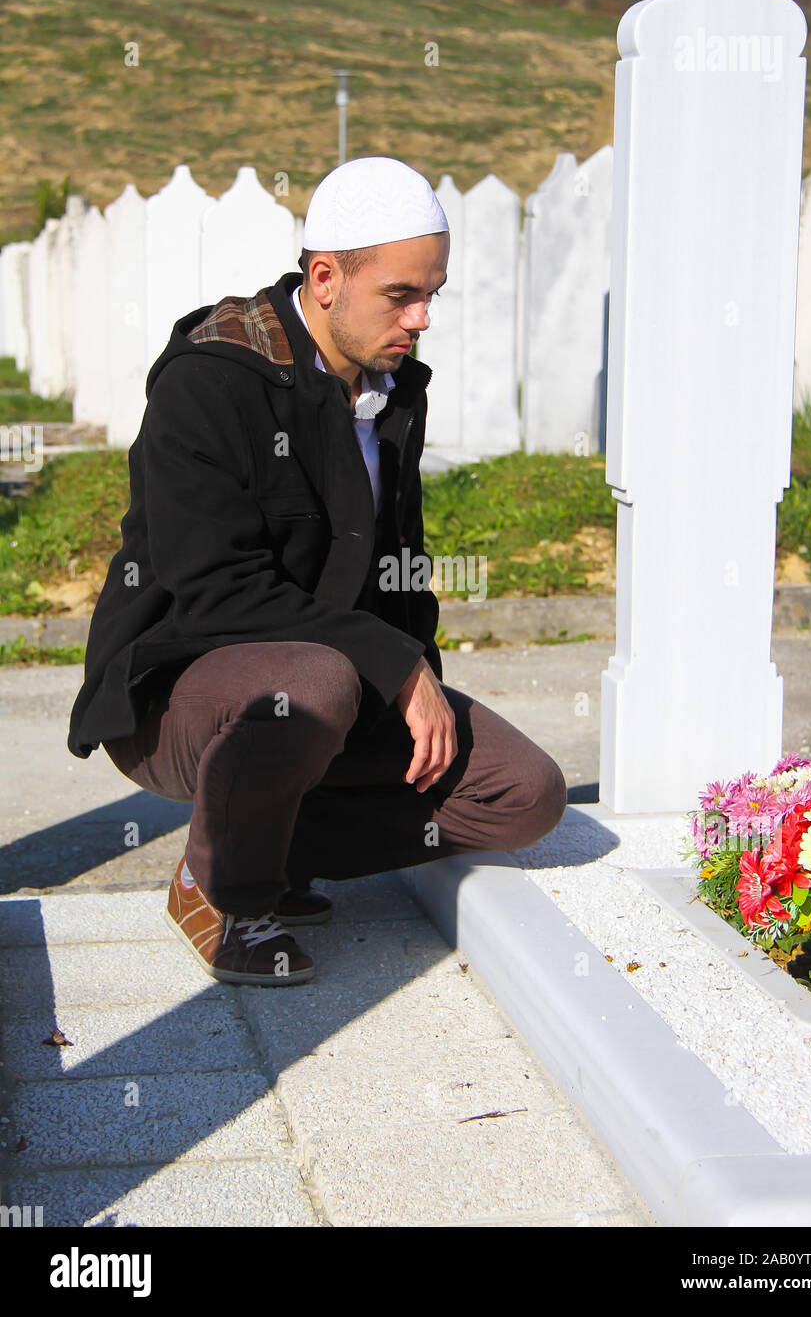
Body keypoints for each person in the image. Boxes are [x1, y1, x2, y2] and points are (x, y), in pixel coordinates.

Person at [67, 155, 568, 987]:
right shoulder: (213, 380)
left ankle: (266, 838)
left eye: (432, 293)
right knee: (316, 683)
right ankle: (229, 893)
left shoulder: (394, 386)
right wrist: (392, 668)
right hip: (182, 693)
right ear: (326, 277)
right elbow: (214, 590)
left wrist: (419, 682)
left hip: (332, 678)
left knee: (526, 795)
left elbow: (401, 566)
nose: (423, 318)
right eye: (402, 295)